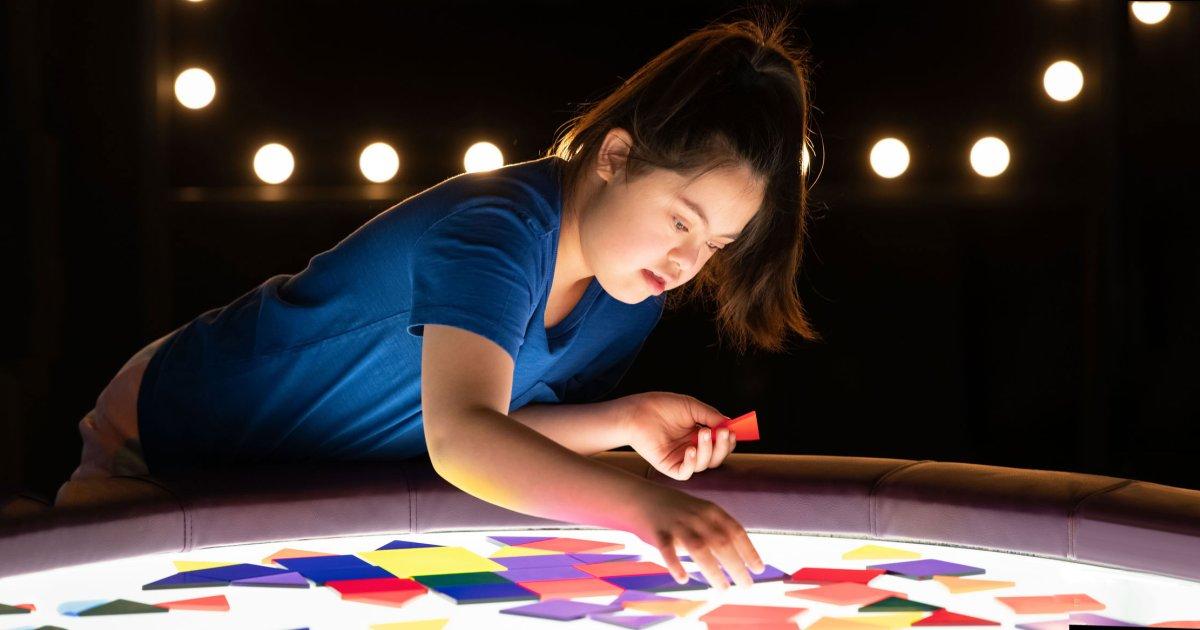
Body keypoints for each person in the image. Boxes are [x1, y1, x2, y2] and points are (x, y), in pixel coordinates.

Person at [57, 13, 819, 590]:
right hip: (164, 435)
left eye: (715, 245)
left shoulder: (632, 296)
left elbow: (493, 426)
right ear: (616, 156)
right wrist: (642, 506)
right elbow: (461, 440)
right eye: (681, 220)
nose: (686, 262)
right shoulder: (499, 229)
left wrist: (626, 421)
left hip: (291, 487)